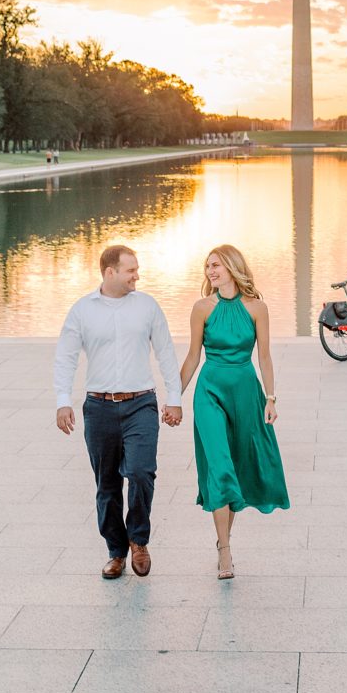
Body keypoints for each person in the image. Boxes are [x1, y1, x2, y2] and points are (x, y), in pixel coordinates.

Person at [54, 244, 182, 580]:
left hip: (141, 402)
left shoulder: (147, 306)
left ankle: (138, 540)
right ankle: (115, 551)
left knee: (141, 472)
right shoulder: (82, 310)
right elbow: (66, 356)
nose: (137, 276)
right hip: (98, 407)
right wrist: (62, 400)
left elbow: (166, 352)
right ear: (110, 272)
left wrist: (175, 398)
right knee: (106, 484)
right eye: (131, 270)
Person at [179, 244, 289, 579]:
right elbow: (193, 357)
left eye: (216, 265)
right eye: (207, 266)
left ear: (232, 267)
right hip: (210, 391)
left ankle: (222, 539)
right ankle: (225, 551)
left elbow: (265, 357)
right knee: (221, 467)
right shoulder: (202, 308)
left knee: (237, 469)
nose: (210, 271)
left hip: (245, 393)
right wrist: (172, 397)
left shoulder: (257, 308)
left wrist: (271, 398)